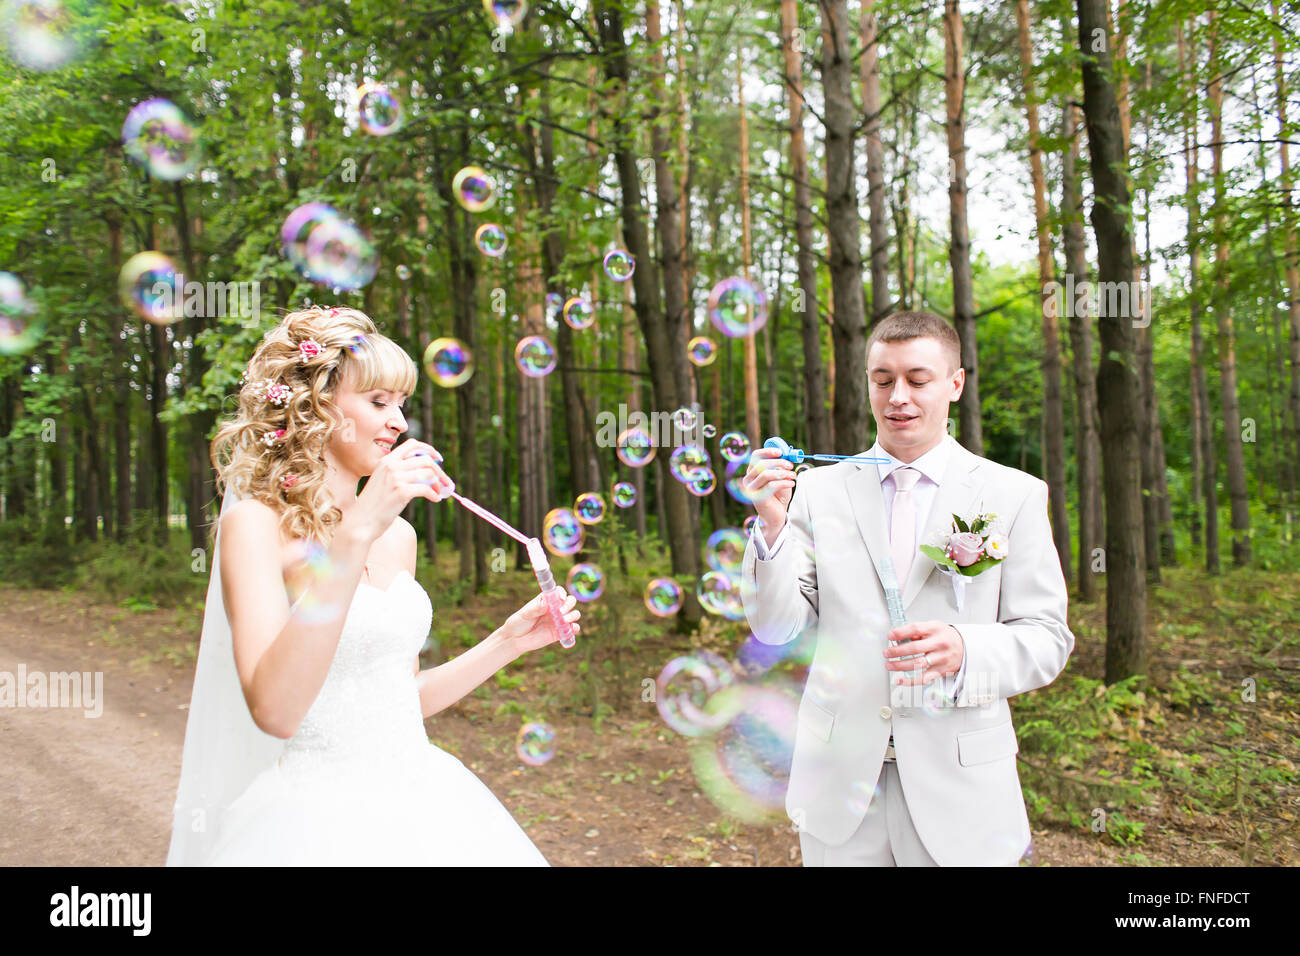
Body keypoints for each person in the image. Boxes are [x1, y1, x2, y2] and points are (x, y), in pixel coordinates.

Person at [166, 305, 579, 866]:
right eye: (379, 402)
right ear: (315, 405)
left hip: (422, 804)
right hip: (313, 824)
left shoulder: (398, 538)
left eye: (401, 405)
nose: (399, 423)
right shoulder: (256, 527)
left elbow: (397, 700)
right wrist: (356, 530)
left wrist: (508, 641)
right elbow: (276, 710)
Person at [739, 309, 1074, 866]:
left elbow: (1047, 639)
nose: (898, 396)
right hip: (839, 787)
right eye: (882, 379)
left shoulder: (1013, 494)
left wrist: (967, 650)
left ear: (955, 384)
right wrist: (771, 525)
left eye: (918, 380)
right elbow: (777, 629)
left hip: (962, 791)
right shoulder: (817, 492)